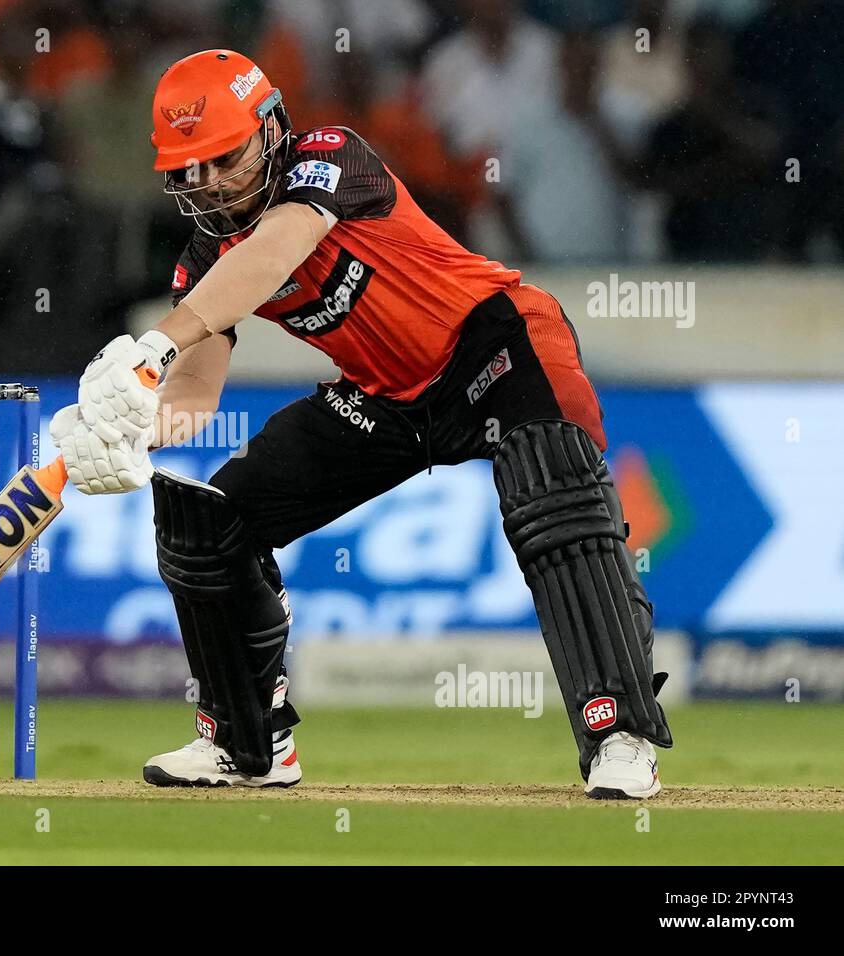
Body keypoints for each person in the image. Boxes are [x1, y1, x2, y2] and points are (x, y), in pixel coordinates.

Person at [49, 50, 673, 798]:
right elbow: (195, 389)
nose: (211, 184)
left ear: (272, 129)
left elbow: (278, 247)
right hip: (384, 397)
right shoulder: (208, 256)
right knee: (208, 523)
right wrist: (130, 427)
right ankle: (249, 746)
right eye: (191, 171)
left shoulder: (331, 157)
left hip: (494, 344)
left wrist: (156, 341)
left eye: (225, 158)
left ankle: (620, 733)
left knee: (550, 493)